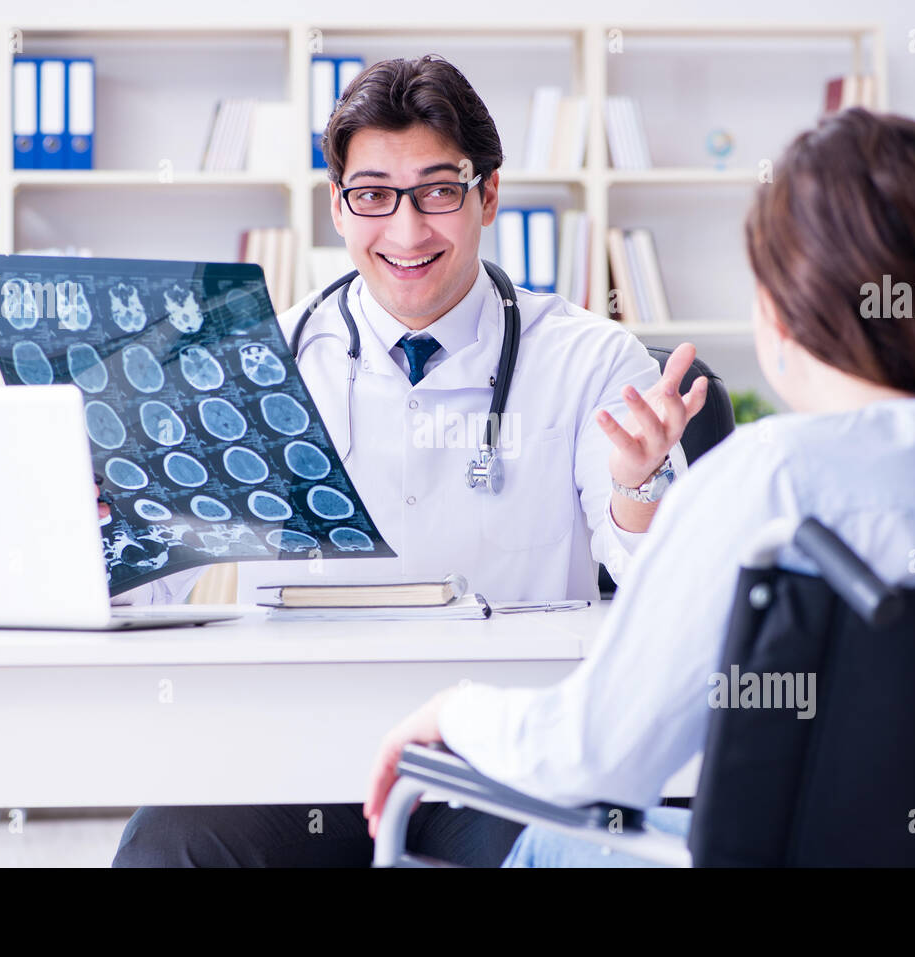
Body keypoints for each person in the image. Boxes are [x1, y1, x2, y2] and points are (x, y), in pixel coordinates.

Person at [363, 107, 915, 866]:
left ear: (785, 307)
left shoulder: (773, 483)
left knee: (551, 841)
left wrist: (451, 710)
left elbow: (597, 756)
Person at [111, 55, 710, 867]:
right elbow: (149, 587)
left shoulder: (591, 360)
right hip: (296, 753)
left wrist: (639, 487)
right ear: (338, 205)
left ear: (487, 194)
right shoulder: (253, 358)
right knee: (165, 848)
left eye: (437, 190)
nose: (406, 230)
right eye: (373, 196)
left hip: (494, 757)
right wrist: (108, 514)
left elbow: (661, 592)